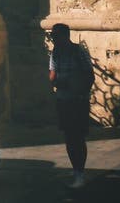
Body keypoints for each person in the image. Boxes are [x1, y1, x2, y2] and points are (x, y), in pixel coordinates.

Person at [48, 22, 95, 189]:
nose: (53, 39)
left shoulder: (78, 51)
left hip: (77, 100)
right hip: (63, 99)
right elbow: (52, 75)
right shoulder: (56, 53)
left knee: (78, 137)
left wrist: (80, 91)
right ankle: (76, 170)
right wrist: (62, 81)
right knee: (69, 136)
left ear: (64, 36)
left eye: (55, 36)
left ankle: (80, 172)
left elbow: (89, 75)